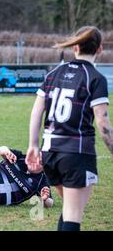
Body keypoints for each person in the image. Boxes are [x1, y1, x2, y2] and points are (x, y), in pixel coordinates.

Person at [26, 26, 113, 231]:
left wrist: (33, 144)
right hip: (77, 153)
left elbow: (37, 111)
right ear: (100, 49)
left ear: (75, 47)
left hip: (50, 154)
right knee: (73, 215)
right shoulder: (95, 78)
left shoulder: (54, 73)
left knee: (69, 209)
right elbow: (102, 122)